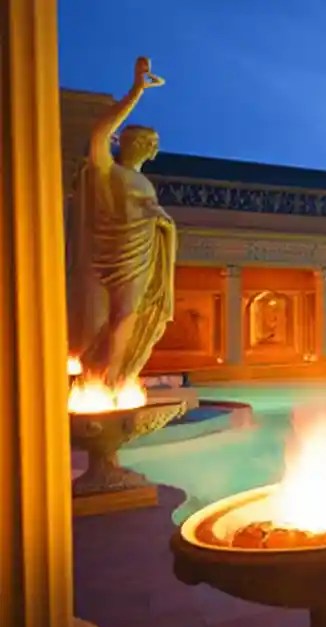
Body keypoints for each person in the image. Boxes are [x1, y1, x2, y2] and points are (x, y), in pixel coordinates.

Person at [68, 57, 177, 387]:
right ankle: (97, 377)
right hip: (110, 255)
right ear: (128, 143)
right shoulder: (106, 172)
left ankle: (112, 377)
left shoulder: (140, 181)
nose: (151, 150)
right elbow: (100, 134)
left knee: (129, 316)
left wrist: (161, 222)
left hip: (140, 257)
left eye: (154, 145)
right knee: (104, 320)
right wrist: (135, 91)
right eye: (147, 143)